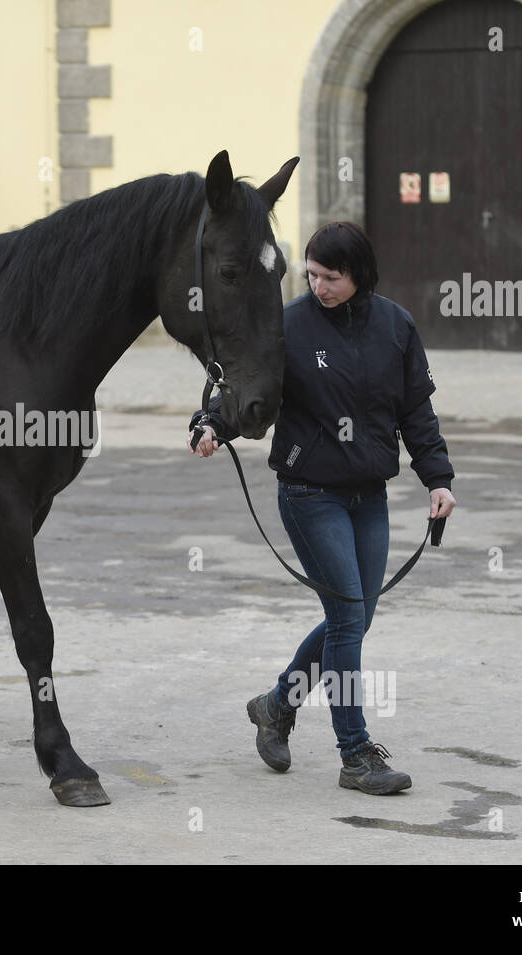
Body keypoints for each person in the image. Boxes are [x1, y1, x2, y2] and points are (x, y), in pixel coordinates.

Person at [187, 221, 456, 795]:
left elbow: (417, 414)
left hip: (370, 496)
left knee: (353, 620)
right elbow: (246, 387)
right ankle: (356, 754)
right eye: (310, 274)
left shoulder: (395, 326)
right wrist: (212, 421)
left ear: (358, 275)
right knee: (348, 620)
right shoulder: (289, 326)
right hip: (310, 493)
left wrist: (438, 478)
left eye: (330, 277)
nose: (318, 285)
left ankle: (277, 706)